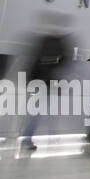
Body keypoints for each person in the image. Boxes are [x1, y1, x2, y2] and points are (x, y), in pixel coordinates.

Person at [18, 14, 73, 153]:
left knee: (38, 112)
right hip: (49, 83)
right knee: (45, 112)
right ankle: (45, 137)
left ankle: (30, 138)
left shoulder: (43, 41)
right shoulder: (61, 43)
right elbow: (64, 62)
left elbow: (33, 60)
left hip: (39, 81)